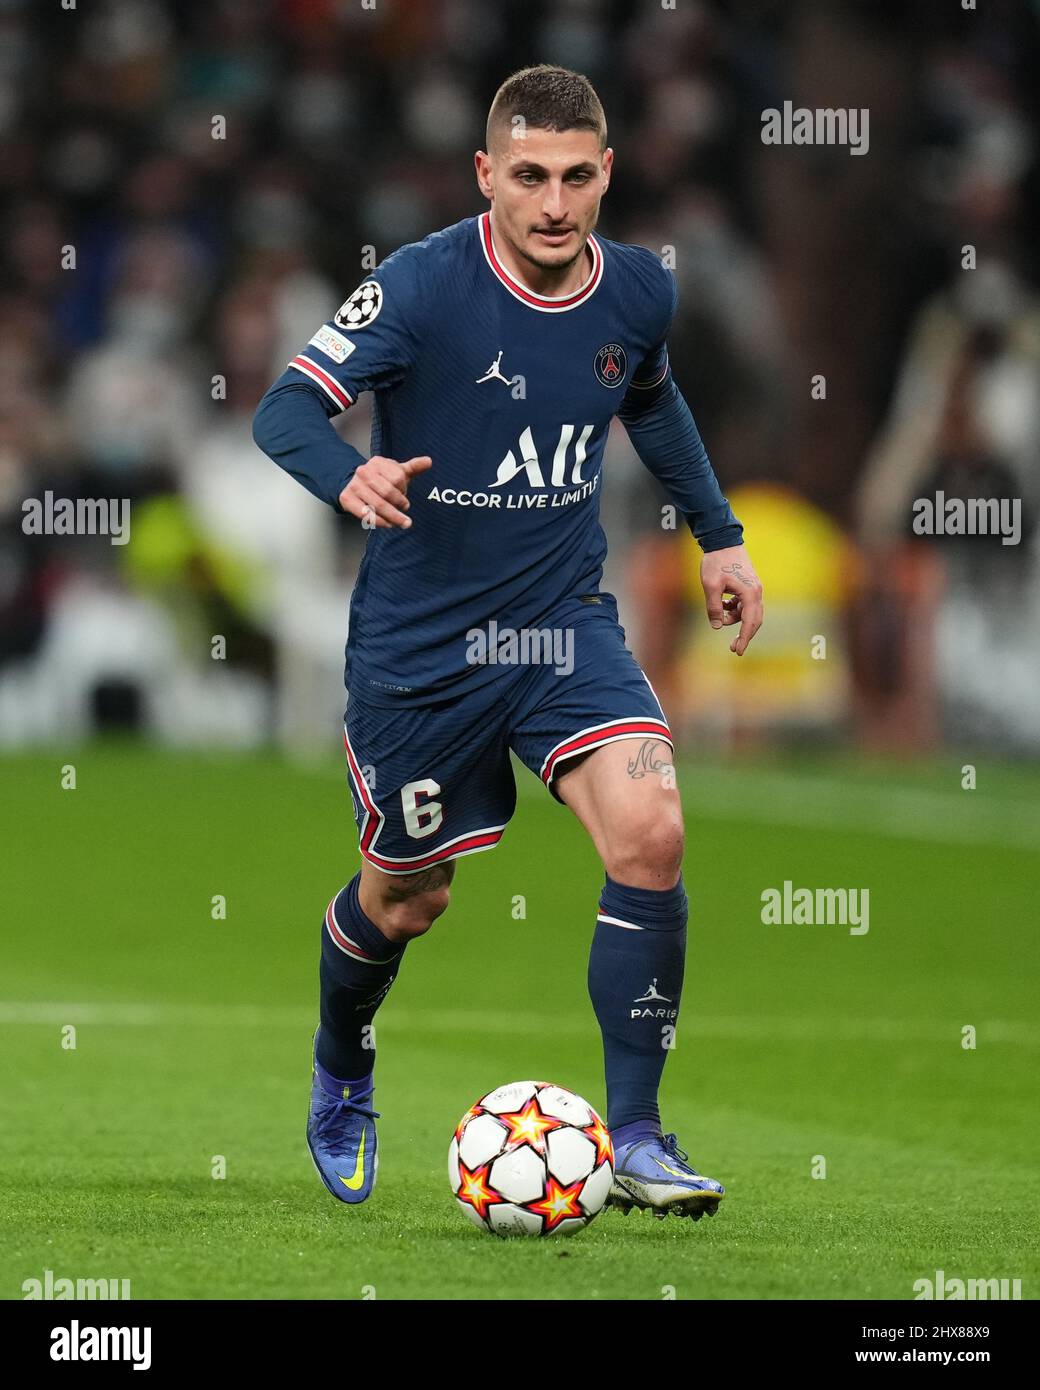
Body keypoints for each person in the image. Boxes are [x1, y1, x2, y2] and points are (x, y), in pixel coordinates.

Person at [252, 64, 763, 1222]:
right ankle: (341, 1067)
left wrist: (718, 538)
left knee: (650, 830)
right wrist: (350, 472)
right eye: (527, 176)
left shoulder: (636, 290)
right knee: (406, 901)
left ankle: (633, 1137)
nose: (552, 203)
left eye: (575, 177)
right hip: (420, 655)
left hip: (557, 628)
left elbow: (648, 398)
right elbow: (281, 405)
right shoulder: (422, 286)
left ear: (605, 176)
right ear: (486, 174)